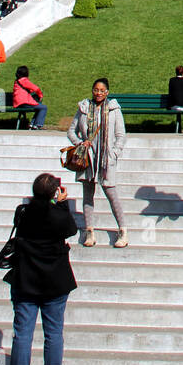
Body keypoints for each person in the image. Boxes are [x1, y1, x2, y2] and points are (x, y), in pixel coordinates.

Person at [1, 172, 78, 365]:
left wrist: (52, 202)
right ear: (55, 192)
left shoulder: (23, 212)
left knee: (22, 334)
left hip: (26, 280)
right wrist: (62, 205)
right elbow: (71, 230)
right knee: (53, 333)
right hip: (55, 281)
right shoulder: (58, 215)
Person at [67, 78, 128, 246]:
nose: (98, 93)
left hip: (106, 159)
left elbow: (121, 135)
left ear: (107, 92)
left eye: (102, 90)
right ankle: (89, 232)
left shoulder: (114, 109)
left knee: (111, 194)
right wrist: (79, 143)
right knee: (88, 195)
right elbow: (71, 130)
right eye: (96, 90)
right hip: (88, 158)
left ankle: (122, 230)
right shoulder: (84, 108)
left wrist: (114, 153)